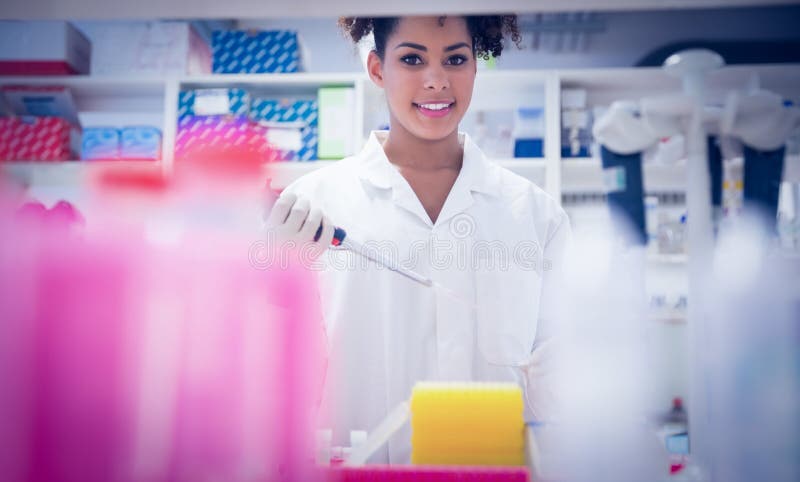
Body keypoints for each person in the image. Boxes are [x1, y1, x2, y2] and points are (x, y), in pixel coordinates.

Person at [264, 15, 571, 463]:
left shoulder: (535, 216)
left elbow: (563, 391)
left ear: (475, 67)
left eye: (456, 59)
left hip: (495, 472)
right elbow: (273, 385)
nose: (436, 81)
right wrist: (273, 292)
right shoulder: (315, 204)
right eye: (411, 59)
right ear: (376, 69)